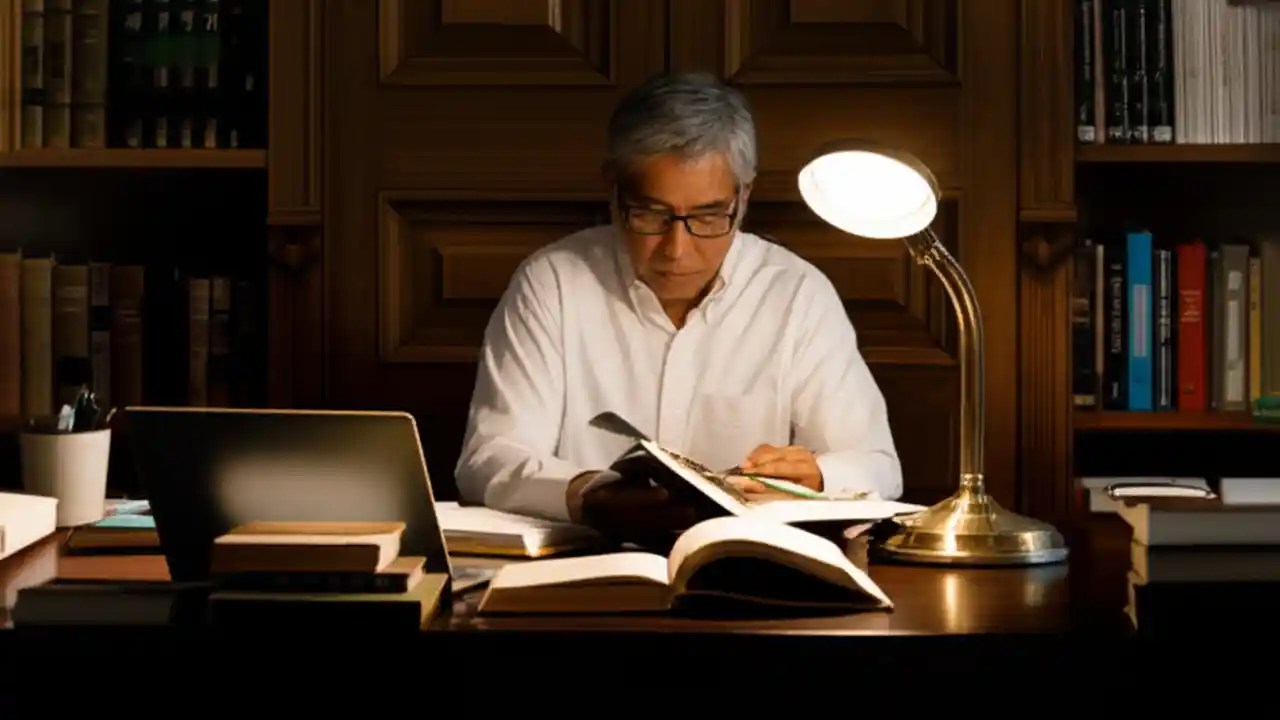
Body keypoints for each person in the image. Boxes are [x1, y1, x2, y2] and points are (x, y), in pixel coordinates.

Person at [454, 71, 901, 543]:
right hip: (587, 572)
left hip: (747, 575)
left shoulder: (796, 295)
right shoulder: (553, 284)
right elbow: (490, 458)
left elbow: (877, 466)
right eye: (650, 214)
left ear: (744, 196)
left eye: (708, 217)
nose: (676, 249)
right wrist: (586, 492)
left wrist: (817, 477)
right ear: (613, 190)